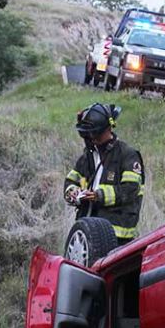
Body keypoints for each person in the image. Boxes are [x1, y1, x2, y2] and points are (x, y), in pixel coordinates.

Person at [64, 103, 146, 246]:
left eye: (94, 133)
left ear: (107, 129)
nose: (91, 138)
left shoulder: (127, 155)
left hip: (117, 236)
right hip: (87, 231)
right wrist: (72, 192)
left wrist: (98, 196)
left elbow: (130, 190)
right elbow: (71, 180)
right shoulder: (88, 157)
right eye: (88, 134)